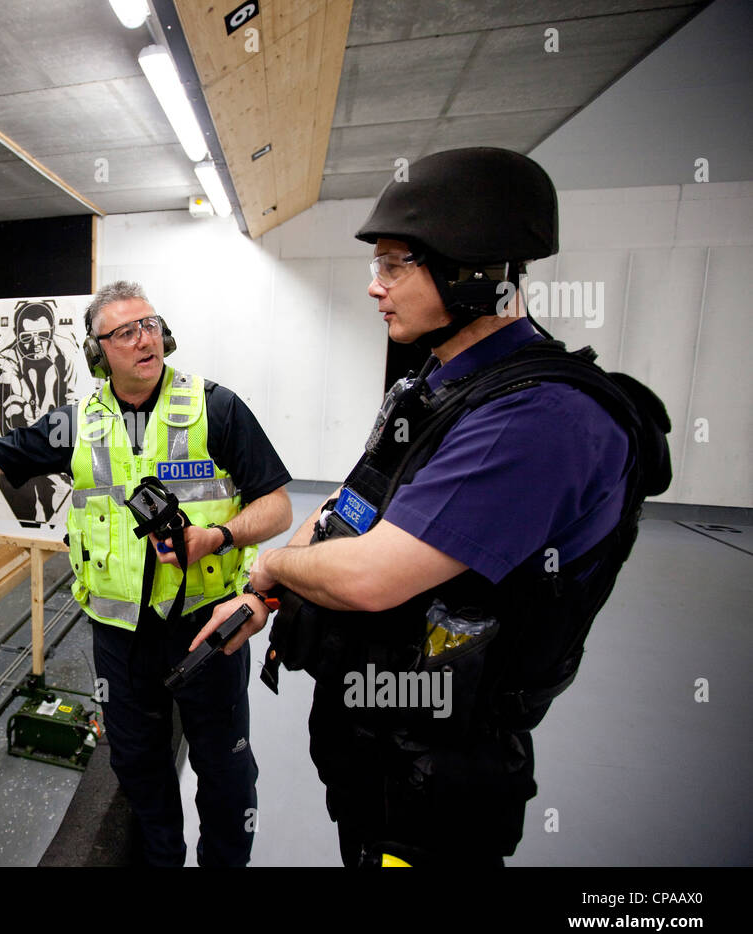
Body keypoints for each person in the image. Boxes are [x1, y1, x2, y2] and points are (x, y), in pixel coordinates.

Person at [191, 147, 671, 866]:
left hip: (439, 769)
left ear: (474, 274)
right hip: (376, 740)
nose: (373, 286)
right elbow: (349, 512)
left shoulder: (538, 419)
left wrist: (272, 561)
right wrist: (267, 597)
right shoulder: (434, 389)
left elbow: (371, 577)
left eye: (393, 265)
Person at [0, 281, 292, 866]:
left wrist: (216, 536)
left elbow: (277, 507)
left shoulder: (216, 407)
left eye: (149, 324)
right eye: (124, 332)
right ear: (98, 353)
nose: (144, 338)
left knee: (225, 771)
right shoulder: (75, 424)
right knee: (139, 771)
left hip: (206, 624)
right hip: (119, 635)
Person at [0, 299, 78, 526]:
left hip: (57, 447)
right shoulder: (6, 364)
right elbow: (13, 409)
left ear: (51, 332)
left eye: (43, 335)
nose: (36, 343)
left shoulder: (64, 360)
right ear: (17, 335)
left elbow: (72, 400)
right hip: (24, 448)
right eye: (27, 338)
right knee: (28, 513)